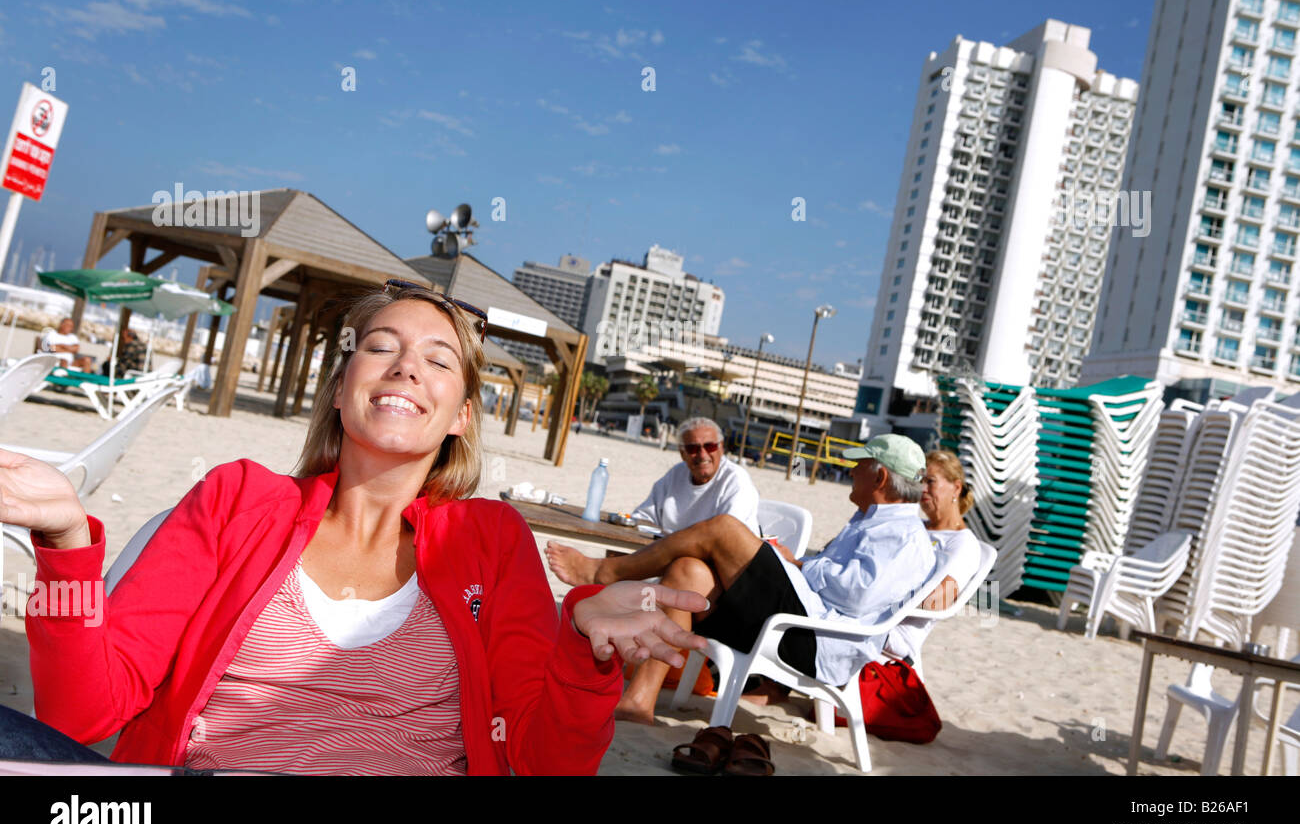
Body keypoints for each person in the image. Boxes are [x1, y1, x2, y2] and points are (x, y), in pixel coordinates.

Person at [0, 281, 708, 775]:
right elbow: (81, 710)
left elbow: (545, 760)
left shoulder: (490, 542)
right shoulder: (236, 500)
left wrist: (583, 645)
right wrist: (67, 544)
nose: (406, 365)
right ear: (341, 389)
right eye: (382, 346)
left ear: (460, 415)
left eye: (438, 361)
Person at [547, 433, 936, 723]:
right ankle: (639, 702)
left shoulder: (905, 537)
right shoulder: (872, 522)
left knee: (724, 529)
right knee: (687, 571)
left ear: (880, 477)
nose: (851, 472)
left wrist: (801, 566)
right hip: (801, 620)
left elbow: (855, 596)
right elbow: (843, 583)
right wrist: (799, 566)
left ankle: (605, 571)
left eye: (860, 466)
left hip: (815, 640)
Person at [883, 449, 983, 664]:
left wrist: (881, 589)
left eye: (930, 482)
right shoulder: (915, 526)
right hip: (873, 618)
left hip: (894, 633)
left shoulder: (963, 543)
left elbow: (936, 601)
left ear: (956, 487)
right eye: (920, 481)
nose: (923, 489)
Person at [630, 416, 760, 537]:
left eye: (710, 446)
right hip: (673, 551)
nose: (702, 454)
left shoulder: (735, 479)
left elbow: (724, 536)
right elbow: (643, 517)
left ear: (721, 448)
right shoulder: (676, 474)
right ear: (682, 453)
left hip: (718, 557)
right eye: (692, 449)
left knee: (686, 563)